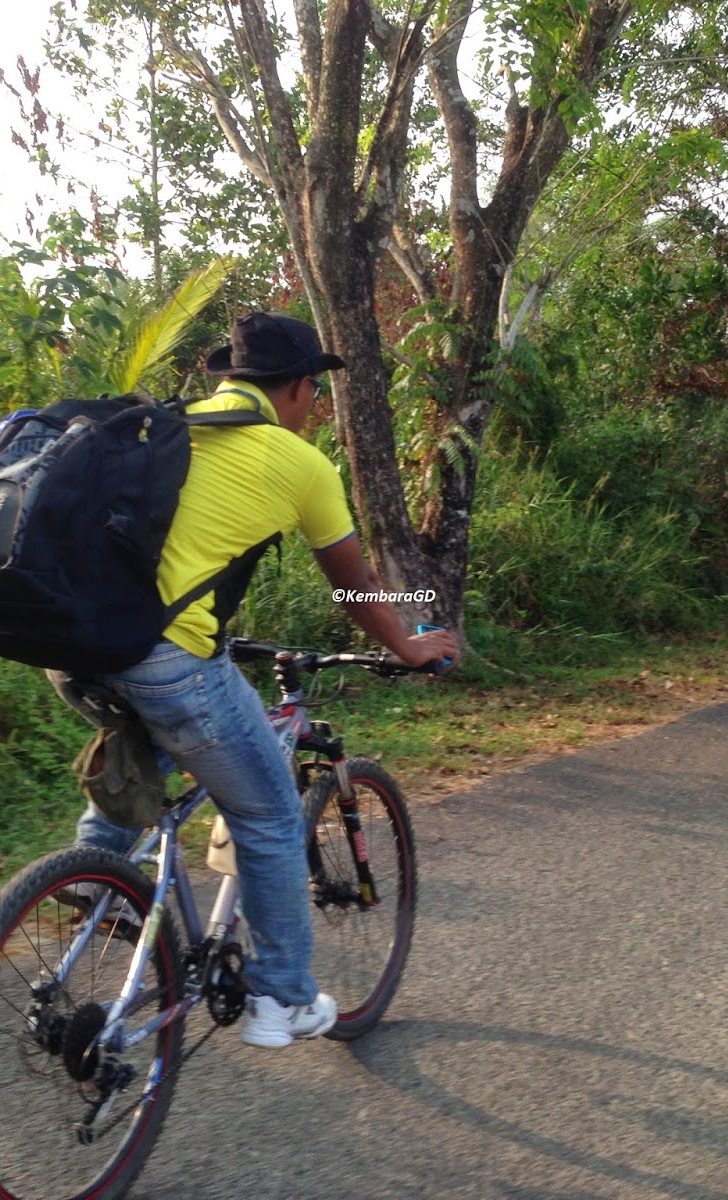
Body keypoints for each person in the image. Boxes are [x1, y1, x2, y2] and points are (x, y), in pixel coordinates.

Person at [50, 311, 457, 1050]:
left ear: (229, 379)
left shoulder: (165, 430)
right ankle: (283, 1000)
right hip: (168, 660)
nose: (314, 410)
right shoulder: (298, 463)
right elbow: (354, 588)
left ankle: (94, 873)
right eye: (314, 395)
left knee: (167, 728)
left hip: (75, 647)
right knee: (268, 813)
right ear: (299, 389)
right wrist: (409, 642)